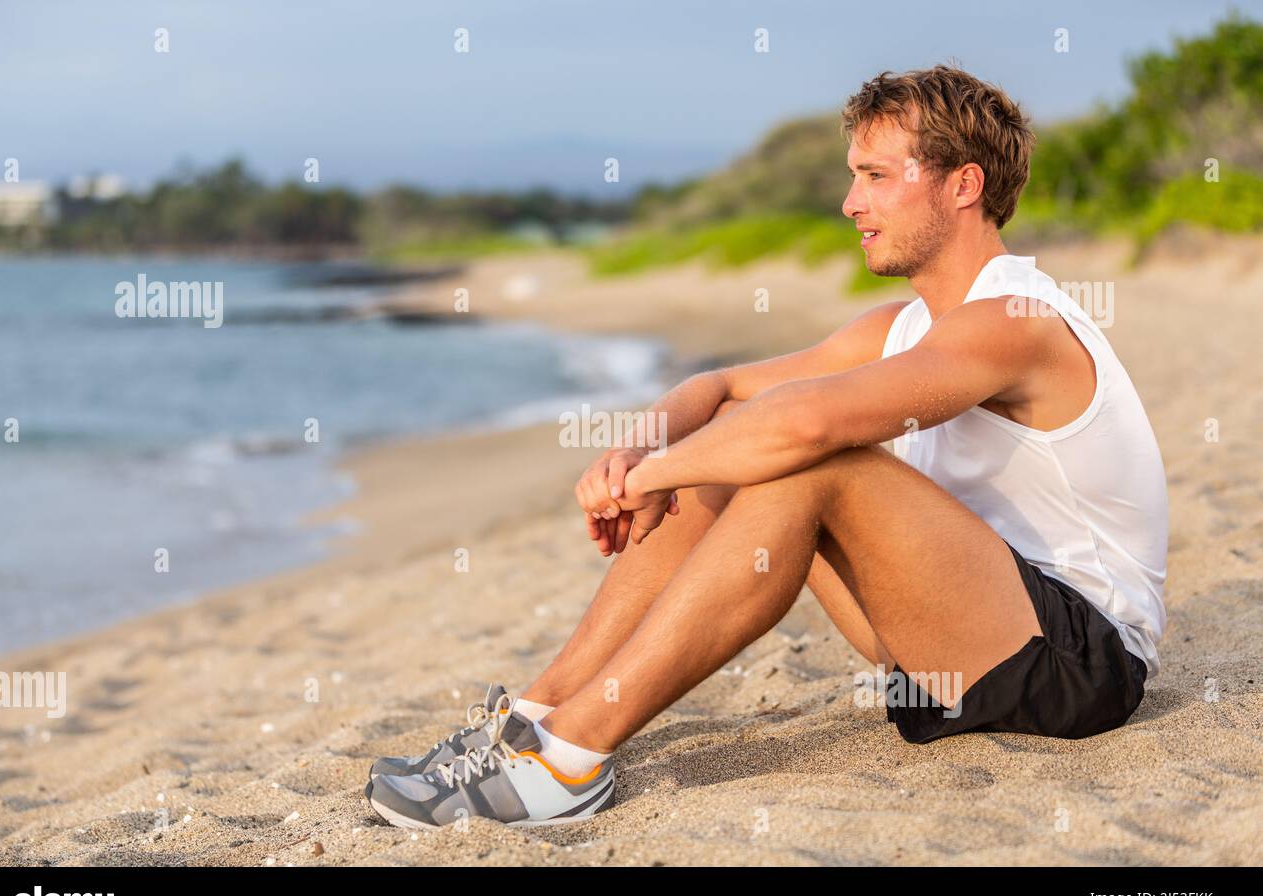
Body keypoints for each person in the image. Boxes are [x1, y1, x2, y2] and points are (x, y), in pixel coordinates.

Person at [366, 65, 1167, 829]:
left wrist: (657, 475)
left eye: (878, 176)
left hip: (1079, 662)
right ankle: (539, 718)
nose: (851, 202)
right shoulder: (902, 328)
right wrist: (632, 456)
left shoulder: (1016, 319)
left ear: (964, 185)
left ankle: (571, 760)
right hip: (948, 643)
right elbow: (718, 387)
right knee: (740, 455)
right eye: (852, 175)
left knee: (812, 460)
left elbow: (808, 426)